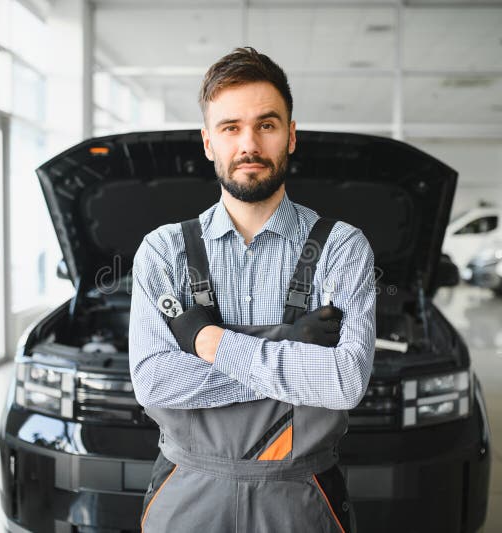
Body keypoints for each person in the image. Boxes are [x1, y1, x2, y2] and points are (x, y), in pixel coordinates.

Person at [128, 47, 376, 533]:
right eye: (230, 127)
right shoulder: (163, 251)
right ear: (207, 142)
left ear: (291, 135)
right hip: (187, 493)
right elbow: (154, 381)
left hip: (301, 498)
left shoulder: (341, 248)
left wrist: (208, 342)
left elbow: (345, 382)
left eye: (266, 124)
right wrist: (289, 347)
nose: (249, 144)